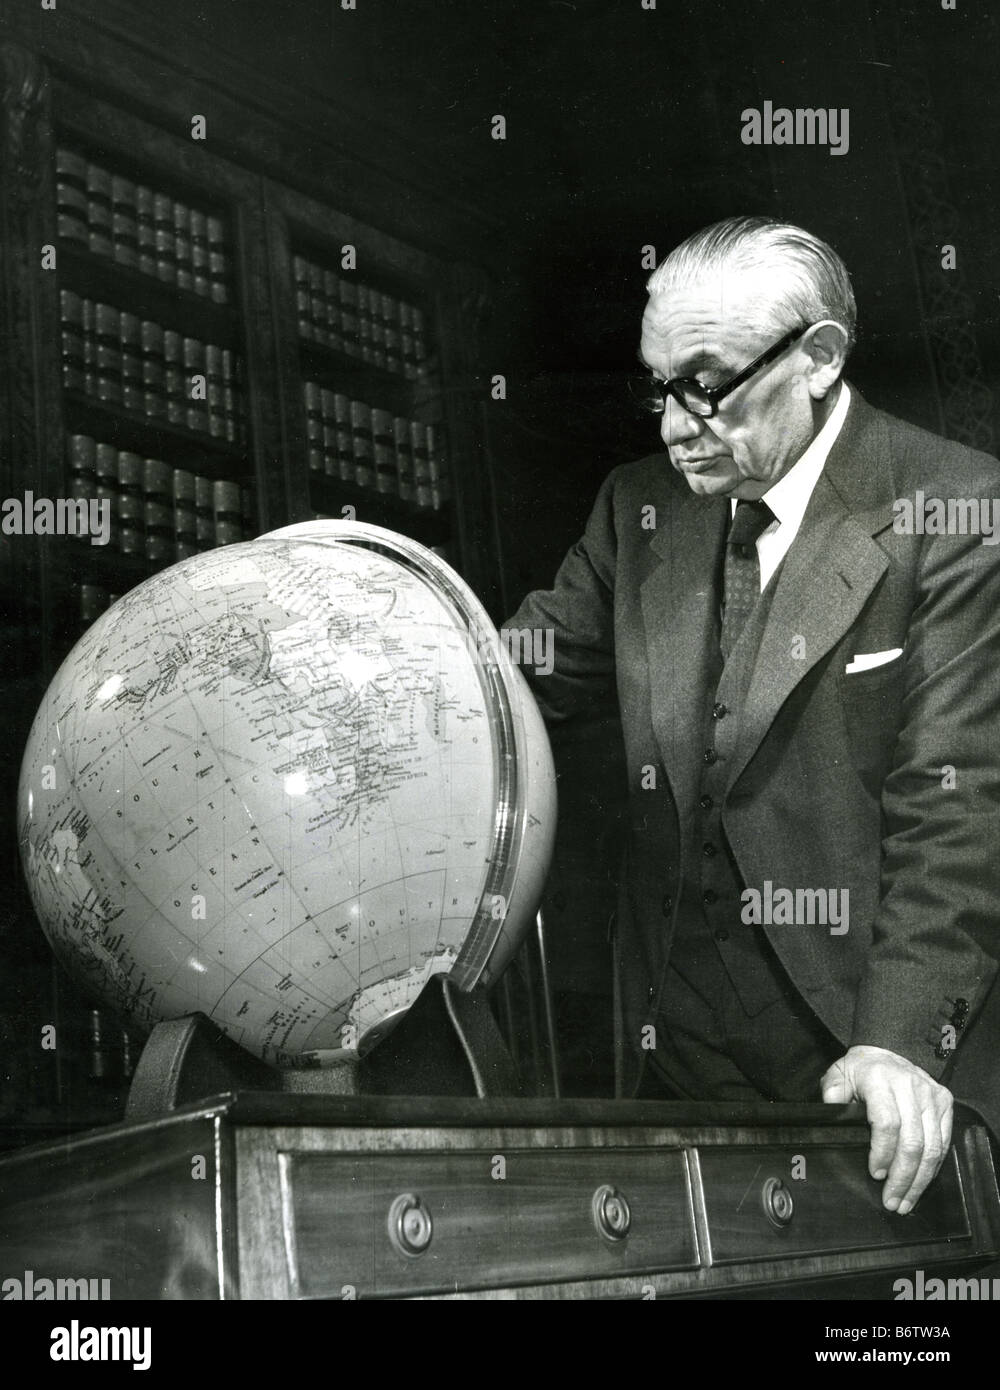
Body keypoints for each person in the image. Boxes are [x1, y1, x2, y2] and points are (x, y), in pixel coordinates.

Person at [506, 215, 1000, 1216]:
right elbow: (516, 675)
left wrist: (897, 1044)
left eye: (706, 383)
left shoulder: (953, 509)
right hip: (668, 1054)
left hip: (855, 1060)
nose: (673, 425)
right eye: (658, 385)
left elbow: (956, 805)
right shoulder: (634, 507)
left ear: (818, 357)